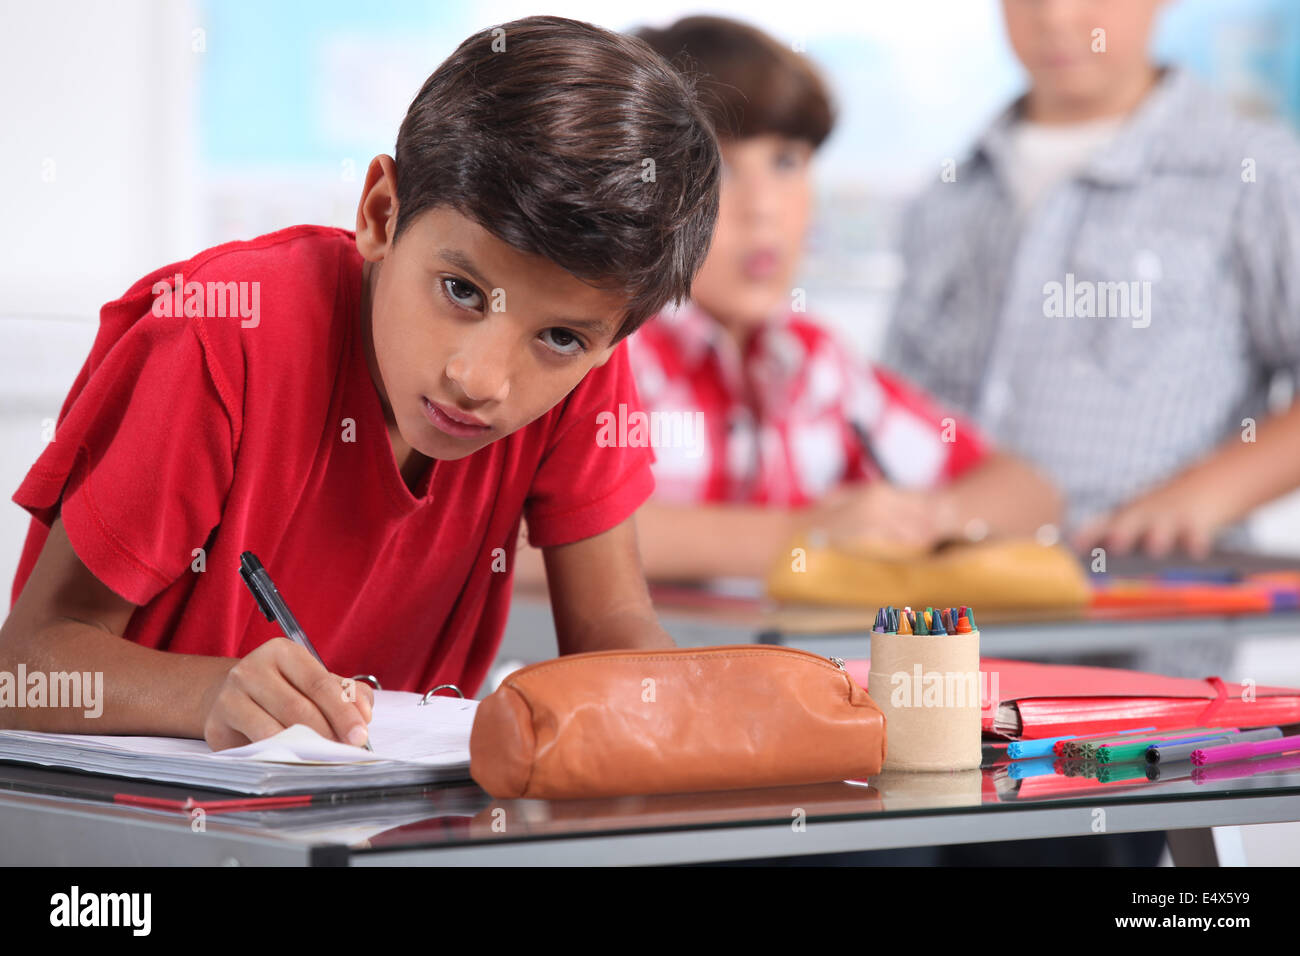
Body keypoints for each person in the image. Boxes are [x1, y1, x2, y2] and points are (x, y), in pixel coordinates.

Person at [0, 16, 720, 750]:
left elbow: (612, 632)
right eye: (462, 291)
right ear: (381, 212)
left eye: (561, 339)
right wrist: (209, 692)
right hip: (132, 808)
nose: (479, 380)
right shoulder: (218, 335)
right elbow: (21, 670)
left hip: (390, 807)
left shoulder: (581, 362)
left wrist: (696, 709)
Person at [617, 15, 1062, 583]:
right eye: (720, 168)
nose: (764, 209)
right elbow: (530, 539)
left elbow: (1029, 493)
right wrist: (805, 535)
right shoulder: (604, 350)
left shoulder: (816, 361)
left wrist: (914, 522)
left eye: (786, 162)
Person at [885, 0, 1300, 563]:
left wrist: (1199, 497)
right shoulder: (947, 194)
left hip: (1143, 597)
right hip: (945, 597)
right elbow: (891, 405)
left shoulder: (1256, 174)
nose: (1056, 16)